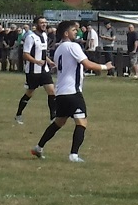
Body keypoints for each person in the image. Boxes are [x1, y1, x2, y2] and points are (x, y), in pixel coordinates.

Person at [30, 21, 112, 162]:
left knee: (59, 122)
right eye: (74, 30)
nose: (76, 32)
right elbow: (86, 63)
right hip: (72, 92)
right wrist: (105, 67)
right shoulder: (73, 46)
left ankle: (38, 147)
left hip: (60, 92)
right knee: (81, 122)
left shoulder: (59, 49)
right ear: (66, 33)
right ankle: (73, 155)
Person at [15, 16, 56, 124]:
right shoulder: (31, 37)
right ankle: (19, 114)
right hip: (33, 71)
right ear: (36, 24)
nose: (44, 24)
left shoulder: (44, 36)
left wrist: (49, 61)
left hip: (44, 70)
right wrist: (36, 61)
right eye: (41, 22)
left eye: (45, 22)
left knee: (52, 91)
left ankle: (53, 116)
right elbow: (25, 55)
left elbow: (42, 54)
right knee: (29, 93)